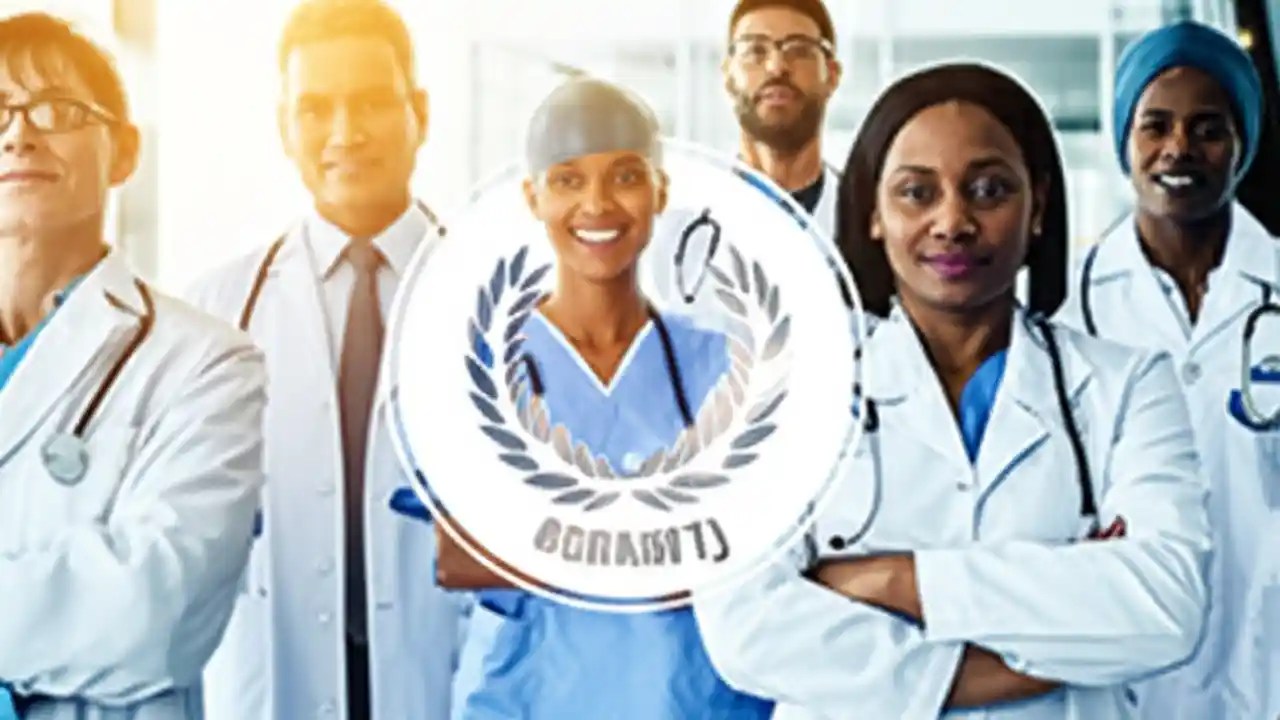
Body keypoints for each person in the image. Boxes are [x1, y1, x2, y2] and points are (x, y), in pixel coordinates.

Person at [692, 62, 1211, 719]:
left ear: (1039, 206)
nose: (953, 221)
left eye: (989, 189)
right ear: (873, 213)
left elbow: (1167, 606)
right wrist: (1016, 656)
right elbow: (747, 628)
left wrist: (893, 579)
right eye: (916, 192)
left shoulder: (1127, 386)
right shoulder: (787, 388)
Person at [438, 76, 775, 720]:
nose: (597, 204)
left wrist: (555, 528)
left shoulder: (719, 364)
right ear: (532, 197)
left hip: (693, 699)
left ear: (660, 193)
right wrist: (662, 536)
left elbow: (751, 545)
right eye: (567, 180)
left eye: (624, 177)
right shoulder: (481, 365)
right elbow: (460, 556)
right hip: (526, 697)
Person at [183, 1, 463, 719]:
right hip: (276, 685)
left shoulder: (492, 297)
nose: (346, 133)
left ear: (420, 113)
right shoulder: (218, 310)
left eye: (372, 101)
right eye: (315, 109)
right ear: (284, 127)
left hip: (452, 684)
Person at [0, 12, 266, 720]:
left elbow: (152, 614)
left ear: (123, 152)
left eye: (55, 109)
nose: (19, 133)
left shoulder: (205, 364)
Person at [1054, 21, 1272, 720]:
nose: (1180, 148)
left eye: (1209, 127)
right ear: (1125, 140)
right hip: (1128, 660)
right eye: (1156, 125)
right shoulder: (1069, 304)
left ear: (1242, 146)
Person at [722, 0, 841, 233]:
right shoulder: (683, 219)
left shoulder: (870, 214)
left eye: (799, 50)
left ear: (832, 75)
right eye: (755, 50)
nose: (776, 67)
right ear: (728, 77)